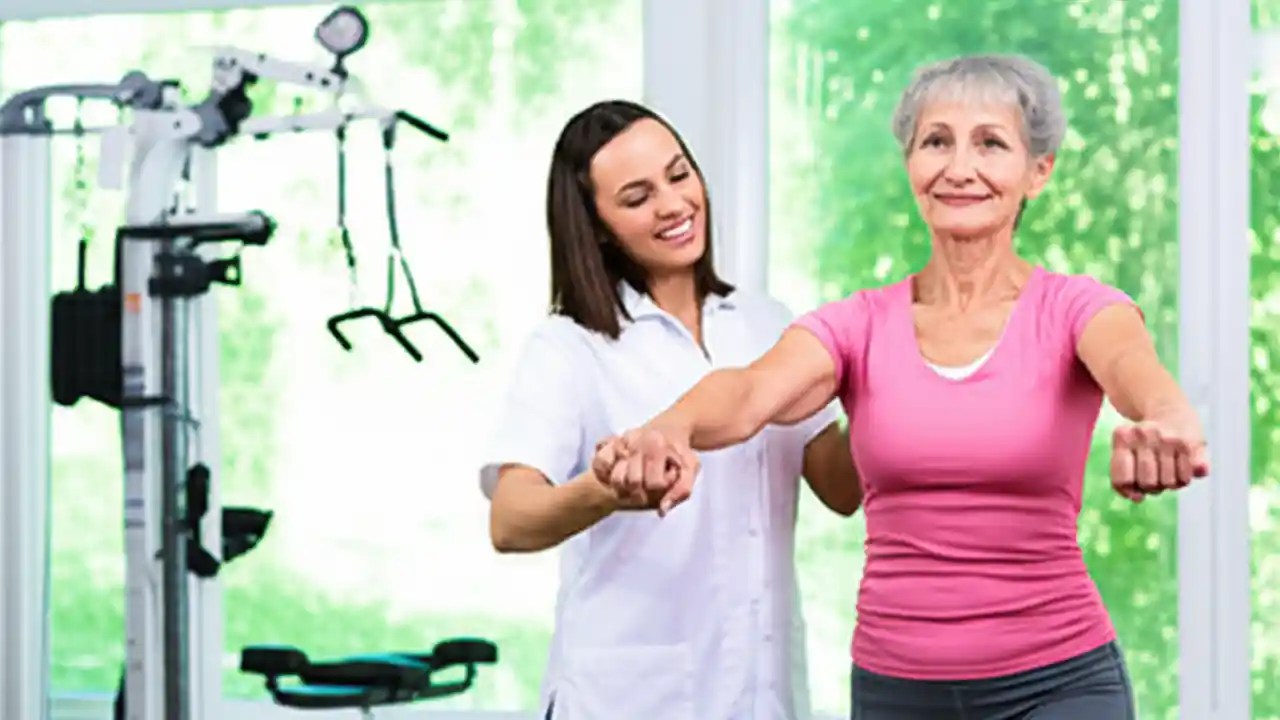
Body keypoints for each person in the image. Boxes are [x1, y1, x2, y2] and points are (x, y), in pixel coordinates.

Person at [599, 54, 1209, 719]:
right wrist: (670, 426)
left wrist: (1169, 420)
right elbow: (749, 393)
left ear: (1040, 171)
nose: (959, 167)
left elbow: (1137, 375)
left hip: (1057, 684)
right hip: (896, 691)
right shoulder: (860, 324)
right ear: (911, 165)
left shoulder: (1076, 309)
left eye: (991, 144)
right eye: (936, 141)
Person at [479, 99, 862, 720]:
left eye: (679, 174)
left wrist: (891, 384)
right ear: (598, 224)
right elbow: (511, 519)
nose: (673, 204)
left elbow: (842, 488)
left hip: (764, 696)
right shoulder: (570, 347)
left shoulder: (767, 323)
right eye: (637, 197)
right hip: (629, 698)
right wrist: (608, 491)